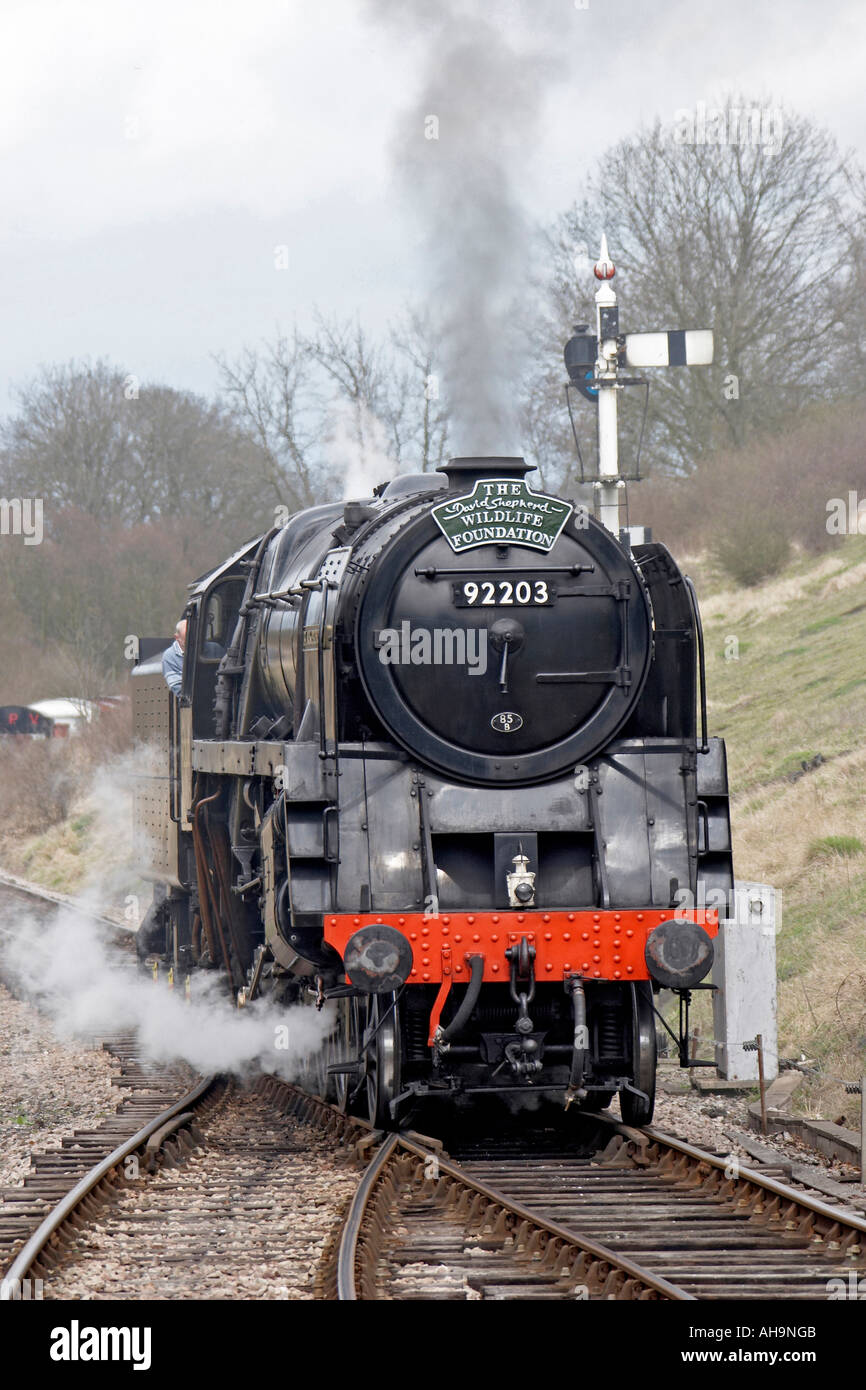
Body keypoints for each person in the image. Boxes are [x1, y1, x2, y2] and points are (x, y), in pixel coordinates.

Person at [162, 619, 187, 696]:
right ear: (177, 637)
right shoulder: (170, 657)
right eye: (187, 640)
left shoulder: (214, 649)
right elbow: (178, 689)